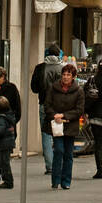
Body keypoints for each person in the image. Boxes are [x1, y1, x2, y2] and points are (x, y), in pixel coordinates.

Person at [45, 64, 84, 190]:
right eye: (64, 74)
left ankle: (66, 181)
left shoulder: (78, 91)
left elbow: (79, 110)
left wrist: (65, 115)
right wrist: (54, 115)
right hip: (57, 125)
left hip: (70, 125)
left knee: (68, 154)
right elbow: (47, 105)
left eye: (68, 75)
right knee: (59, 150)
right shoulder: (53, 88)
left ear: (73, 77)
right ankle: (55, 180)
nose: (65, 77)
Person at [31, 44, 63, 175]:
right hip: (59, 106)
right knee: (59, 134)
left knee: (46, 135)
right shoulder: (63, 69)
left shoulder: (40, 68)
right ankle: (58, 164)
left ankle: (50, 166)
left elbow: (34, 88)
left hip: (44, 104)